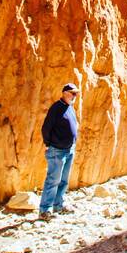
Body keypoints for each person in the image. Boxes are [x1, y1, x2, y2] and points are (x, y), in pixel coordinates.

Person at [39, 83, 79, 220]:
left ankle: (58, 205)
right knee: (53, 180)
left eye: (76, 94)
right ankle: (45, 210)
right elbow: (46, 128)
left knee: (63, 180)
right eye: (72, 93)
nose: (75, 96)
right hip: (57, 150)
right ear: (65, 93)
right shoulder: (56, 108)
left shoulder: (70, 108)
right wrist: (48, 144)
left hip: (69, 149)